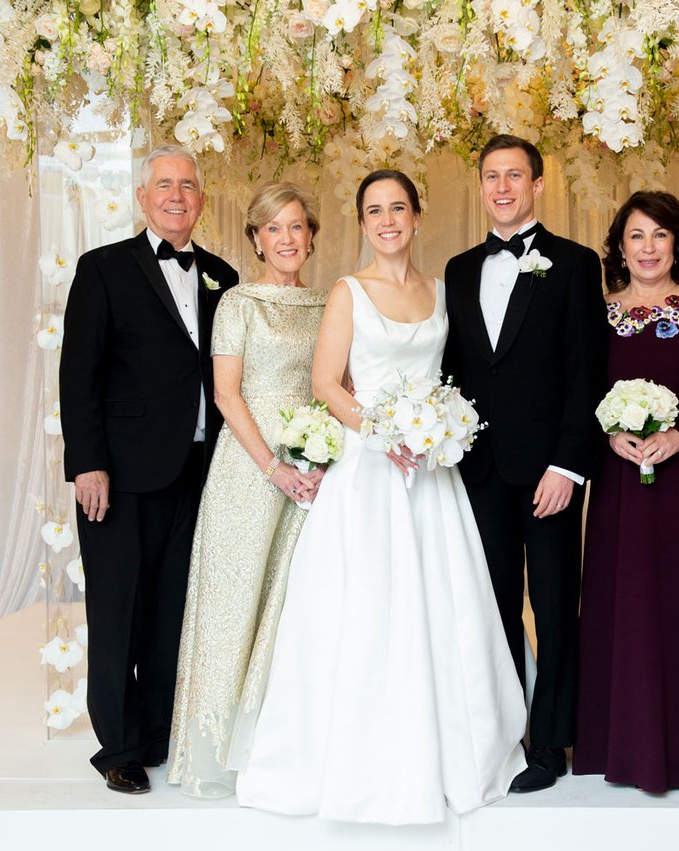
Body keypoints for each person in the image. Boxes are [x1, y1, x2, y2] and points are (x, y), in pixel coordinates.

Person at [234, 170, 526, 824]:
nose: (387, 219)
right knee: (363, 606)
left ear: (417, 217)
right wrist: (385, 432)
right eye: (374, 210)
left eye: (398, 207)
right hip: (370, 470)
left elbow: (451, 376)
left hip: (432, 472)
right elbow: (327, 383)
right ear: (362, 223)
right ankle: (355, 762)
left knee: (441, 603)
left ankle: (455, 750)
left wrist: (435, 428)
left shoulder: (443, 291)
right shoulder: (347, 292)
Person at [59, 145, 238, 794]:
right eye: (165, 185)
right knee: (119, 613)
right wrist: (88, 464)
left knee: (174, 613)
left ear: (201, 199)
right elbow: (78, 376)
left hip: (199, 471)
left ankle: (161, 732)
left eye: (189, 186)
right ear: (142, 196)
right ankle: (120, 747)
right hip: (121, 475)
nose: (177, 195)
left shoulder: (223, 274)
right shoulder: (103, 269)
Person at [442, 134, 607, 792]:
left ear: (539, 184)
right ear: (480, 186)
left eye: (515, 175)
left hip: (549, 474)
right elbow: (453, 369)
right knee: (494, 606)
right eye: (491, 176)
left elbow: (586, 373)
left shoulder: (573, 264)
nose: (503, 186)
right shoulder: (456, 269)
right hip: (477, 470)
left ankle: (551, 742)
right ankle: (505, 730)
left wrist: (568, 467)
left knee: (555, 601)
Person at [573, 191, 679, 793]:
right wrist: (610, 434)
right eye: (636, 236)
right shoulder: (601, 313)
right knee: (625, 602)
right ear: (620, 246)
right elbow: (583, 396)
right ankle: (621, 745)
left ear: (678, 244)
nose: (648, 248)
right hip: (621, 483)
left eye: (660, 236)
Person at [166, 183, 328, 798]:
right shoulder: (236, 303)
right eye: (273, 228)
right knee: (237, 599)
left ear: (311, 235)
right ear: (256, 238)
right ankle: (217, 746)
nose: (286, 239)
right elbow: (227, 395)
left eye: (296, 226)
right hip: (250, 466)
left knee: (294, 602)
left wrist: (319, 458)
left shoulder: (327, 301)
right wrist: (274, 467)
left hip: (313, 464)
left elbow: (335, 384)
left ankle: (281, 747)